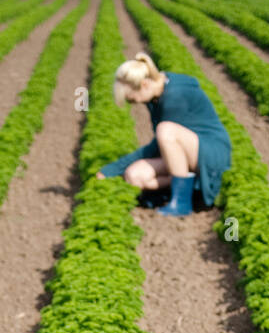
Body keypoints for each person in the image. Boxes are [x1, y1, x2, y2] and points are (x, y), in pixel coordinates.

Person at [96, 52, 232, 217]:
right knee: (134, 175)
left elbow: (157, 145)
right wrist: (120, 169)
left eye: (132, 99)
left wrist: (111, 170)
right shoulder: (155, 94)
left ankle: (181, 202)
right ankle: (191, 183)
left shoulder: (175, 96)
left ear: (145, 84)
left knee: (165, 130)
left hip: (211, 151)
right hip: (185, 153)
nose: (135, 103)